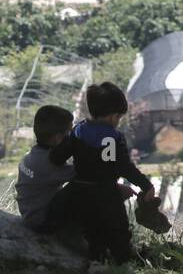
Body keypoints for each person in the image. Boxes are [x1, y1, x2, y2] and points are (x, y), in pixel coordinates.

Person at [46, 82, 156, 264]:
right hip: (106, 195)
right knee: (119, 232)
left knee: (93, 233)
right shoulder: (113, 138)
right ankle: (122, 262)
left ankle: (97, 262)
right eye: (119, 116)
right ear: (114, 116)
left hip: (78, 193)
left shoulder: (78, 131)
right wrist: (146, 184)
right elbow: (123, 167)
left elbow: (57, 157)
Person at [16, 105, 76, 232]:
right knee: (84, 187)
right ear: (58, 138)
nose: (72, 136)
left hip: (30, 214)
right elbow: (85, 174)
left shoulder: (35, 154)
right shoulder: (49, 164)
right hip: (42, 221)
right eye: (70, 132)